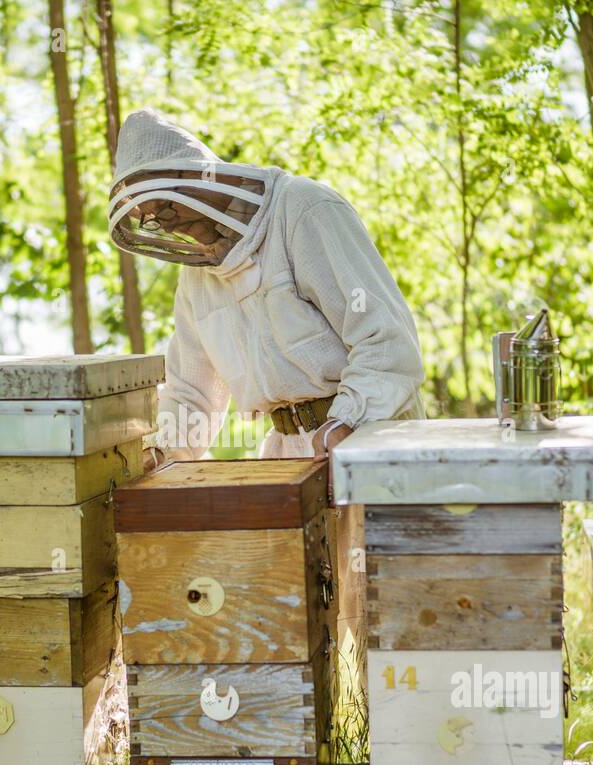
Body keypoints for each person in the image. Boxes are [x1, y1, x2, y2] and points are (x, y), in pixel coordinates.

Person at [107, 108, 426, 701]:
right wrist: (159, 461)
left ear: (201, 181)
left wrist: (344, 429)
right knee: (297, 617)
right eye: (156, 219)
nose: (172, 226)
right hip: (284, 453)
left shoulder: (305, 213)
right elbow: (191, 390)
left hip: (369, 434)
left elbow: (387, 341)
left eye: (171, 208)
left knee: (378, 611)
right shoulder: (196, 278)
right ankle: (320, 760)